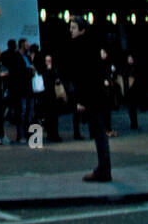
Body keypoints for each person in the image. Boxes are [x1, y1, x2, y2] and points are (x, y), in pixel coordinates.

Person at [69, 16, 112, 182]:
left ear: (82, 30)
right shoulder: (91, 45)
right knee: (99, 133)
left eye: (73, 27)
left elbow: (84, 77)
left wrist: (81, 101)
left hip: (92, 98)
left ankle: (103, 169)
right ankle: (103, 168)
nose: (70, 30)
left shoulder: (82, 47)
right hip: (97, 97)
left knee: (99, 133)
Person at [41, 51, 63, 142]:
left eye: (49, 60)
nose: (48, 62)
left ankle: (55, 134)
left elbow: (56, 79)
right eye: (47, 61)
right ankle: (51, 134)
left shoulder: (54, 69)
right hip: (47, 95)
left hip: (53, 94)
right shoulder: (44, 70)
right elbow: (45, 80)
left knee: (54, 115)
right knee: (49, 116)